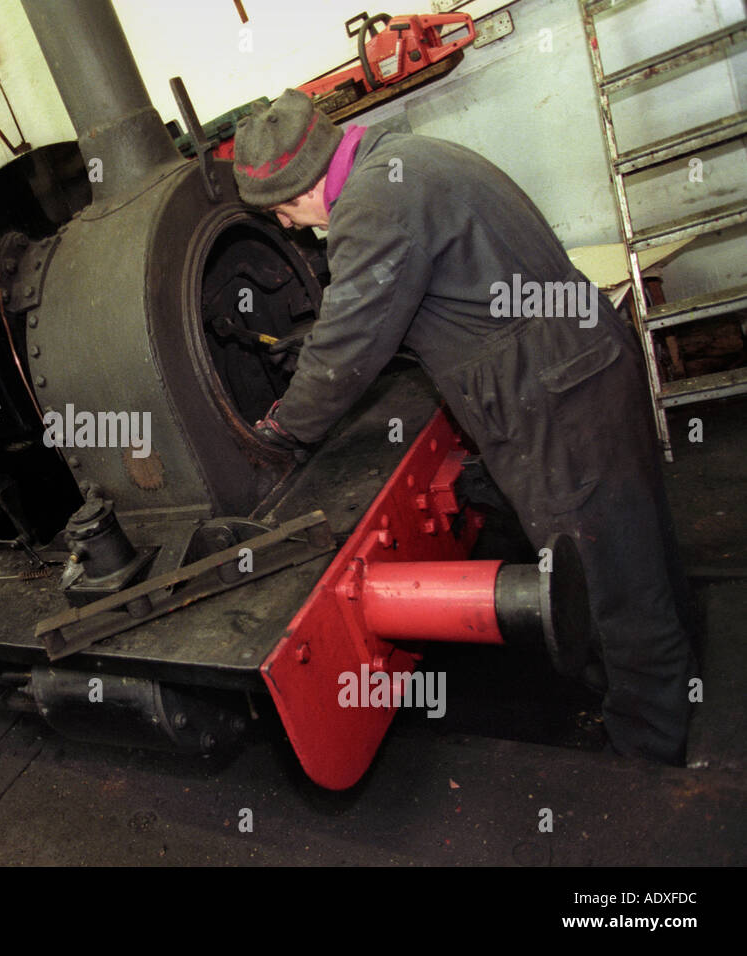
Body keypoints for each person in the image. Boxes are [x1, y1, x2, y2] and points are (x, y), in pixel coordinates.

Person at [232, 89, 696, 765]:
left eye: (281, 211)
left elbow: (344, 353)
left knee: (604, 581)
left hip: (551, 396)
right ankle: (677, 678)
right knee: (636, 545)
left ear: (301, 188)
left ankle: (652, 763)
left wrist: (284, 429)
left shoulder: (371, 202)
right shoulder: (408, 156)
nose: (294, 226)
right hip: (580, 361)